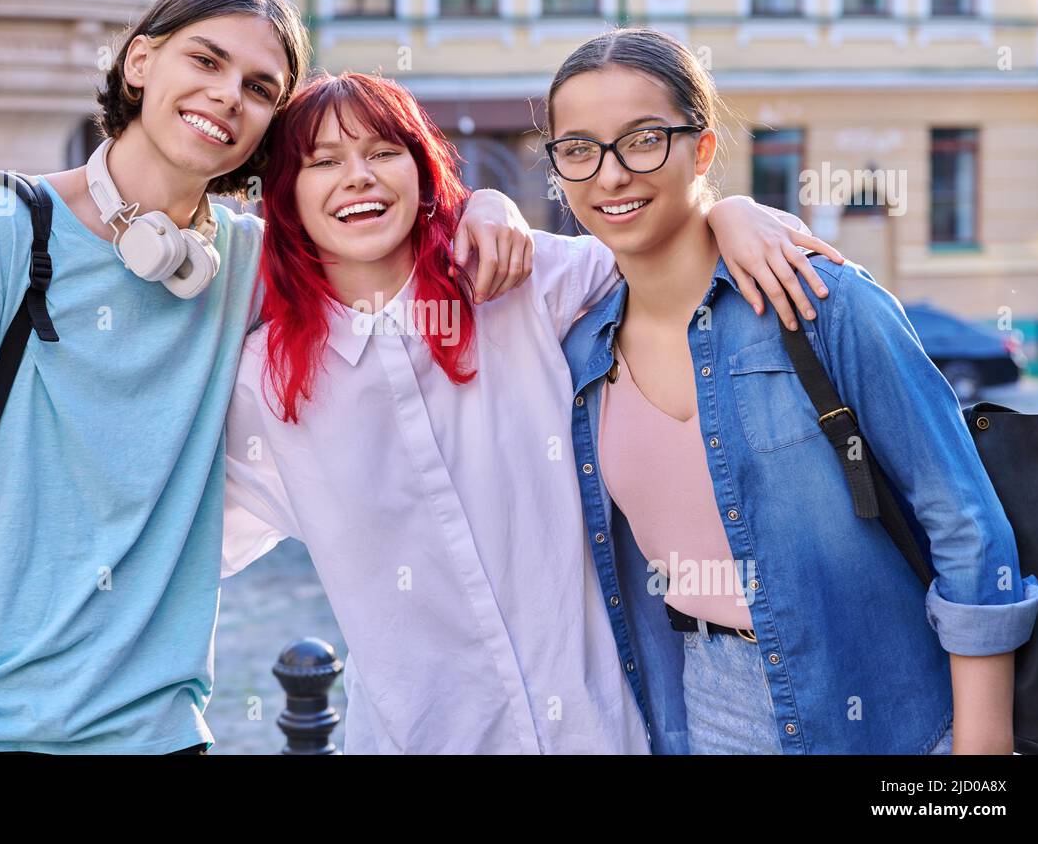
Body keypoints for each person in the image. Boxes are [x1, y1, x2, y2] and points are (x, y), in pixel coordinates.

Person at [0, 0, 533, 755]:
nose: (227, 96)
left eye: (258, 87)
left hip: (166, 733)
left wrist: (487, 203)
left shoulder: (252, 263)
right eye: (205, 62)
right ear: (141, 62)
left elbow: (384, 237)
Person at [221, 70, 843, 753]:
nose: (358, 177)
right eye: (324, 162)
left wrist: (729, 213)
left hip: (601, 726)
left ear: (421, 169)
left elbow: (663, 252)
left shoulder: (525, 282)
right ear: (285, 196)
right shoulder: (265, 386)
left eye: (382, 152)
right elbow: (178, 540)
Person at [551, 27, 1038, 754]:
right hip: (704, 712)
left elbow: (966, 524)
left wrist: (977, 758)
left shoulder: (822, 304)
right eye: (579, 149)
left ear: (704, 149)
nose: (612, 174)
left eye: (644, 138)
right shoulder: (580, 352)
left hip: (891, 714)